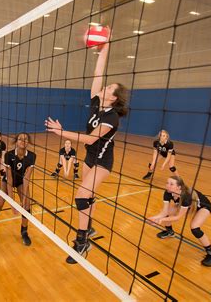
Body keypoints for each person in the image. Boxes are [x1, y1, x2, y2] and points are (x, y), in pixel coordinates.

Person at [45, 26, 129, 264]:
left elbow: (92, 139)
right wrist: (105, 47)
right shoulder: (95, 103)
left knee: (81, 196)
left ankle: (82, 242)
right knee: (87, 196)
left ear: (113, 98)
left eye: (110, 88)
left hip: (103, 161)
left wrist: (62, 133)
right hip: (90, 158)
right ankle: (89, 228)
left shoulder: (112, 117)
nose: (105, 87)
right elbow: (97, 74)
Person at [0, 133, 36, 246]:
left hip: (20, 181)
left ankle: (24, 231)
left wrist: (23, 199)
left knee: (27, 205)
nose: (23, 141)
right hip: (7, 180)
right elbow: (9, 179)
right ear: (16, 141)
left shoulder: (32, 156)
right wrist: (13, 203)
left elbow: (27, 178)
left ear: (28, 142)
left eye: (26, 139)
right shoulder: (9, 155)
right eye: (20, 139)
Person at [147, 176, 211, 267]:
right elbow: (164, 212)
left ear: (179, 187)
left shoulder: (186, 196)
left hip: (203, 207)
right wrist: (154, 218)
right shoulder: (168, 193)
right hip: (185, 205)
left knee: (195, 228)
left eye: (171, 184)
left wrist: (161, 220)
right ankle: (170, 232)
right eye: (167, 183)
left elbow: (177, 218)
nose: (168, 186)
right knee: (168, 213)